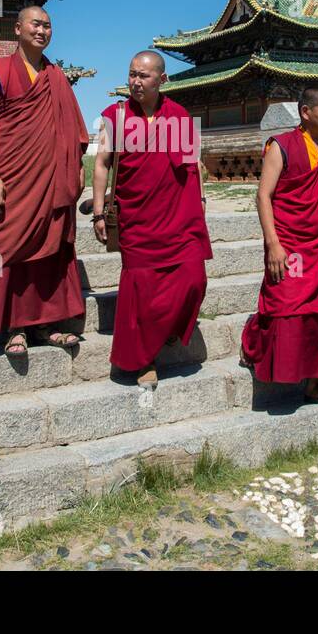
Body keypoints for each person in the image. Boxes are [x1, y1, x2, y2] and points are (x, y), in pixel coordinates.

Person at [241, 88, 318, 411]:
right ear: (305, 113)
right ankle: (253, 345)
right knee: (283, 308)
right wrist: (273, 244)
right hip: (289, 244)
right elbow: (263, 196)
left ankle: (315, 383)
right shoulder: (280, 146)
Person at [92, 51, 211, 388]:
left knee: (193, 279)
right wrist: (99, 212)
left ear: (162, 80)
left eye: (143, 76)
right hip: (137, 220)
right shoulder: (116, 116)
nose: (136, 81)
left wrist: (200, 202)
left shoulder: (179, 117)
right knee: (141, 293)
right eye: (132, 74)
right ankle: (143, 360)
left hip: (180, 218)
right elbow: (102, 164)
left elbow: (193, 165)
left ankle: (169, 328)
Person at [0, 5, 89, 356]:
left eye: (48, 25)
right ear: (18, 29)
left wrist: (76, 167)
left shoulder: (56, 76)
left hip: (53, 182)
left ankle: (47, 323)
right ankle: (12, 327)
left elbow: (70, 128)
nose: (42, 30)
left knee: (51, 249)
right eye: (35, 24)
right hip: (14, 179)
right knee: (5, 247)